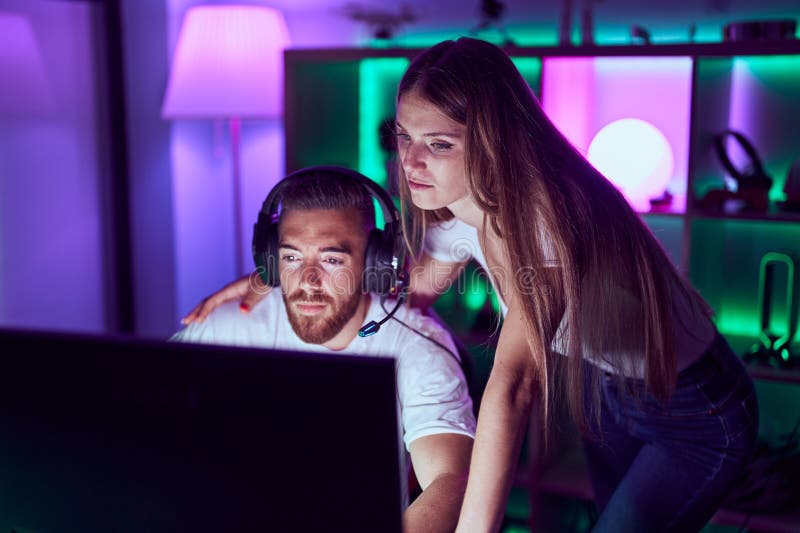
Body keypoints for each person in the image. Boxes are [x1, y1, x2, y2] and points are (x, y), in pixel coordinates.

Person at [182, 38, 759, 532]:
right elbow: (399, 293)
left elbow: (512, 388)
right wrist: (280, 277)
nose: (410, 162)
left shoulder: (547, 228)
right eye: (404, 136)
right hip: (607, 390)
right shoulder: (462, 208)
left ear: (492, 143)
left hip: (693, 410)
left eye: (439, 144)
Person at [172, 166, 476, 533]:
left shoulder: (415, 346)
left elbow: (450, 480)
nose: (308, 282)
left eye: (332, 260)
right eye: (292, 258)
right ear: (271, 259)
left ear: (375, 263)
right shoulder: (231, 325)